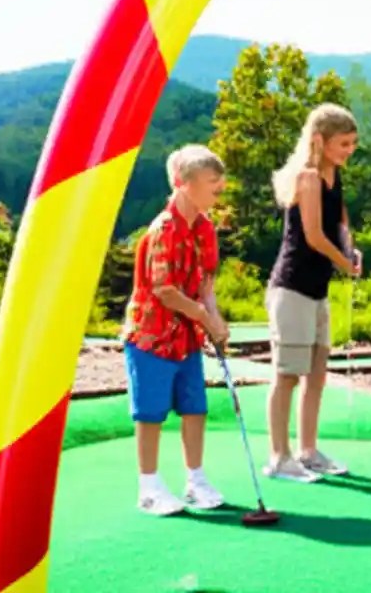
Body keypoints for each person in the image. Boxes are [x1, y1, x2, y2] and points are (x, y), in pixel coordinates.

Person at [121, 144, 231, 516]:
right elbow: (164, 291)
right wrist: (204, 316)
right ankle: (148, 487)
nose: (220, 187)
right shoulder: (163, 228)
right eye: (213, 181)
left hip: (186, 338)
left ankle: (195, 480)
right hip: (150, 336)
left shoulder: (205, 229)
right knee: (150, 413)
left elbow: (205, 284)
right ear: (184, 184)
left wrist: (215, 322)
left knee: (194, 407)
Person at [263, 103, 362, 483]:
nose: (349, 150)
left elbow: (339, 228)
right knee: (287, 375)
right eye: (344, 143)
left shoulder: (335, 178)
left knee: (316, 376)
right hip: (291, 289)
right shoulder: (306, 179)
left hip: (317, 293)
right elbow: (314, 236)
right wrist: (343, 262)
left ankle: (307, 450)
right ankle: (279, 457)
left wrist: (352, 252)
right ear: (319, 140)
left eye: (353, 144)